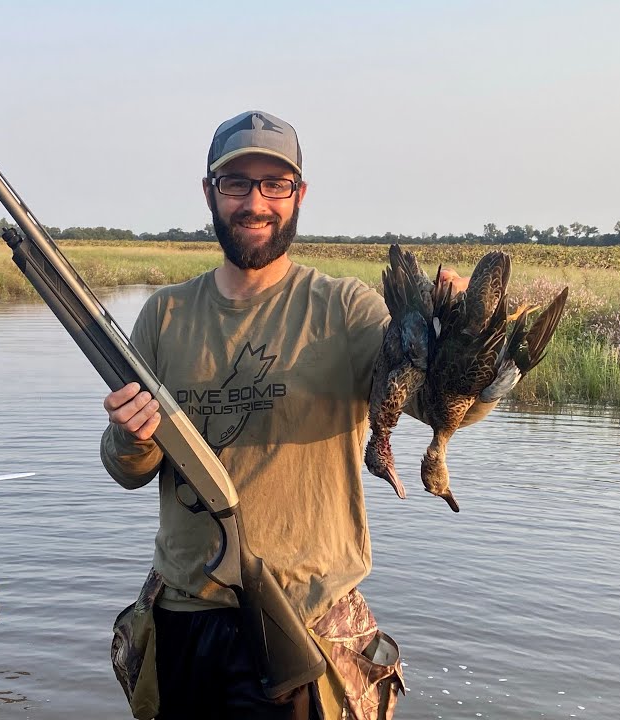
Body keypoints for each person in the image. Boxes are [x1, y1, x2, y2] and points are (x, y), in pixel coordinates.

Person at [102, 110, 463, 720]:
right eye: (237, 184)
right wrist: (129, 435)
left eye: (275, 185)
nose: (255, 203)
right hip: (184, 620)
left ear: (299, 195)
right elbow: (128, 469)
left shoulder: (345, 308)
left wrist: (458, 354)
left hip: (306, 620)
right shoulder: (163, 316)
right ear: (210, 194)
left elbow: (430, 402)